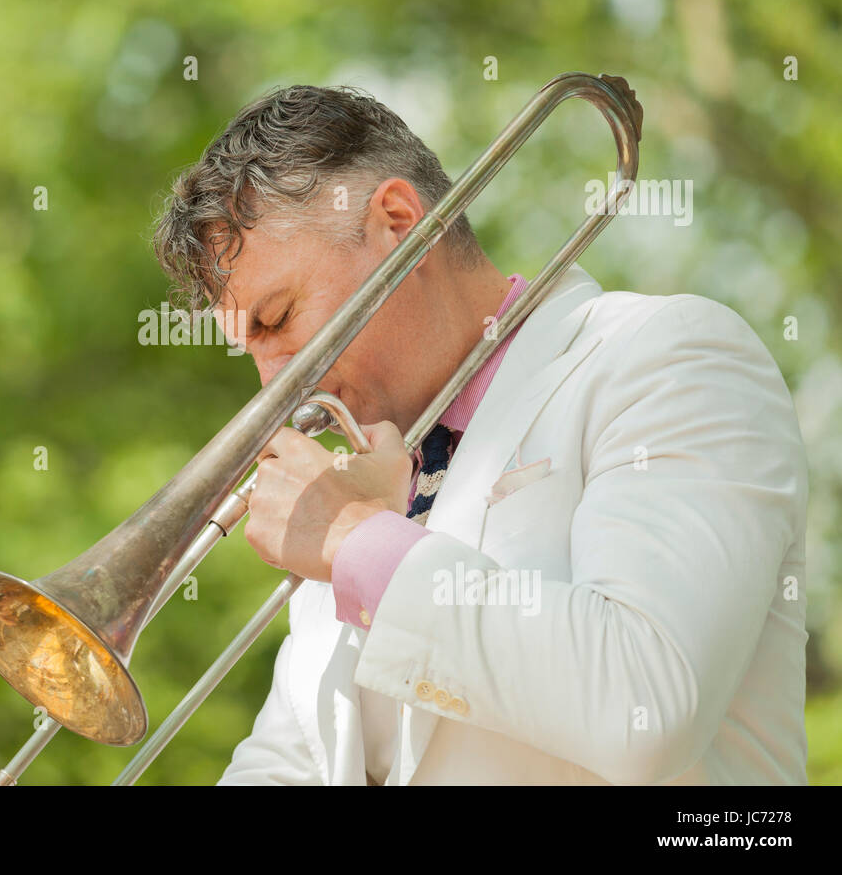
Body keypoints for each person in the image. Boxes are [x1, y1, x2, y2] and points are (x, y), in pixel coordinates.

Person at [150, 84, 809, 785]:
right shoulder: (370, 484)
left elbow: (645, 705)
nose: (271, 388)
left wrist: (352, 541)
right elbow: (293, 762)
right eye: (248, 348)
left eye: (278, 319)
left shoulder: (668, 355)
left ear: (400, 222)